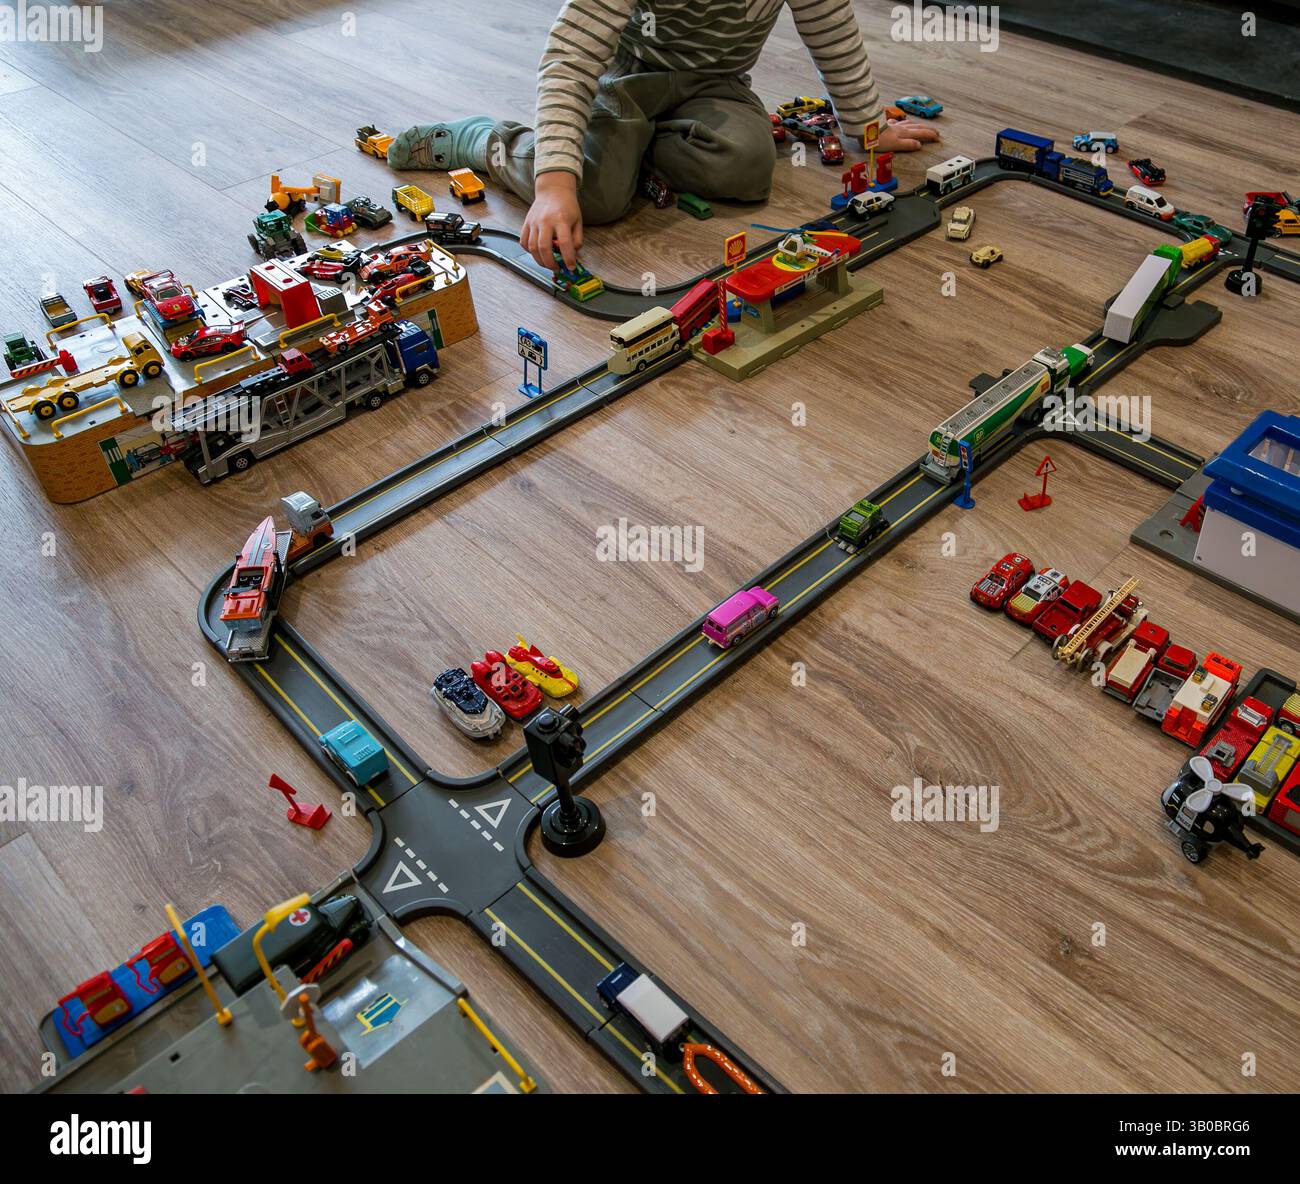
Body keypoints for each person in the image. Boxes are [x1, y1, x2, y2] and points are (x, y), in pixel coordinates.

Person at [388, 0, 940, 268]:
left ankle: (630, 153)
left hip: (716, 86)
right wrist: (555, 183)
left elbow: (831, 31)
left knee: (745, 165)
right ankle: (486, 141)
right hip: (628, 80)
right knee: (596, 196)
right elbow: (571, 57)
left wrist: (865, 127)